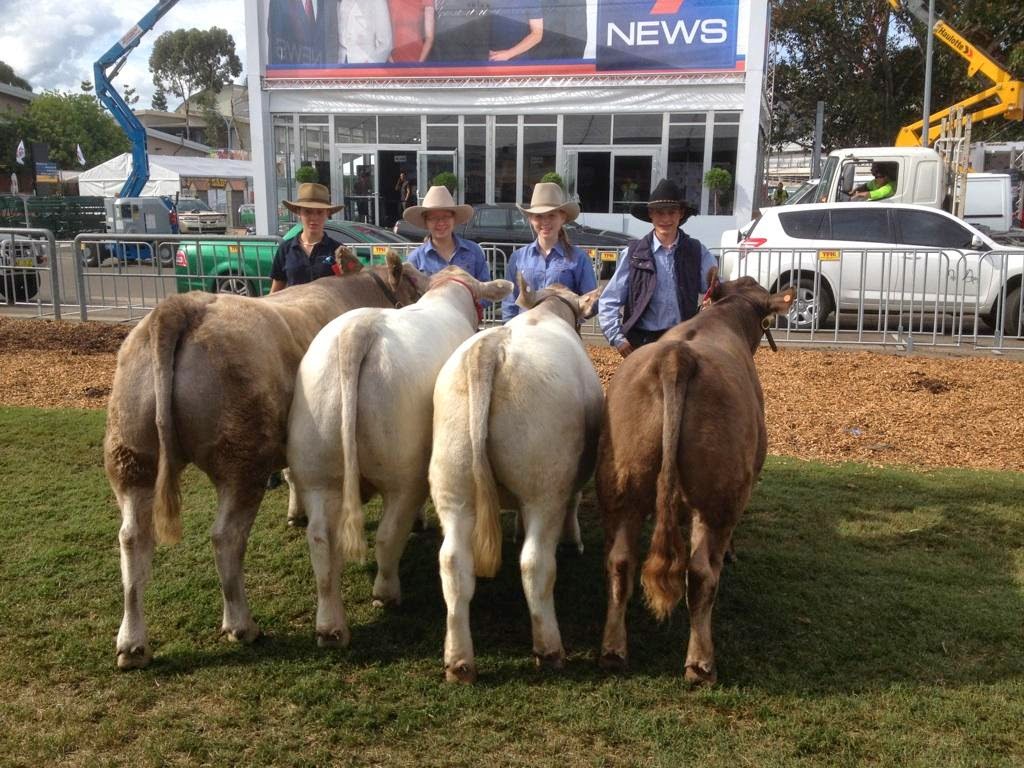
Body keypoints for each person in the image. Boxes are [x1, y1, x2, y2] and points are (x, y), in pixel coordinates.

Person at [598, 178, 718, 357]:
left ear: (681, 214)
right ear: (651, 215)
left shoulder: (696, 250)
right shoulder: (633, 253)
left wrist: (722, 296)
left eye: (671, 212)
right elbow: (609, 299)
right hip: (643, 342)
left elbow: (715, 287)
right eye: (660, 213)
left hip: (684, 341)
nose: (666, 219)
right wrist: (617, 337)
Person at [501, 182, 597, 321]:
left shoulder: (579, 258)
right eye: (538, 216)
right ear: (531, 220)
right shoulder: (518, 258)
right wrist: (509, 330)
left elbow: (588, 303)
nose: (545, 222)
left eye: (551, 215)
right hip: (524, 332)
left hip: (561, 334)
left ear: (562, 218)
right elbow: (510, 302)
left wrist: (569, 321)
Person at [269, 183, 346, 293]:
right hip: (294, 309)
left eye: (320, 212)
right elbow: (275, 292)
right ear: (298, 212)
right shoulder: (285, 249)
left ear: (327, 214)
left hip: (330, 309)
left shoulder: (339, 250)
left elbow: (350, 288)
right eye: (308, 211)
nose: (314, 218)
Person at [404, 185, 491, 282]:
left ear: (454, 219)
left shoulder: (474, 251)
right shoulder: (416, 258)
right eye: (433, 218)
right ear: (426, 222)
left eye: (446, 216)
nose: (441, 223)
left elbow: (485, 291)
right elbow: (411, 295)